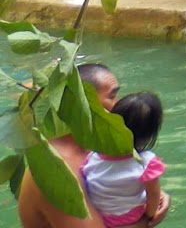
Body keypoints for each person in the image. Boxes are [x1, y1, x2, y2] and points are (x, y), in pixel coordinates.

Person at [16, 63, 122, 228]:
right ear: (84, 102)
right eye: (112, 96)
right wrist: (148, 217)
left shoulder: (95, 148)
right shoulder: (55, 166)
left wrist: (153, 195)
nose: (120, 104)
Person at [82, 92, 168, 227]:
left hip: (101, 216)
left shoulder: (93, 156)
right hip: (129, 217)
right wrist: (149, 217)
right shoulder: (147, 162)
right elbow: (154, 193)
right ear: (150, 132)